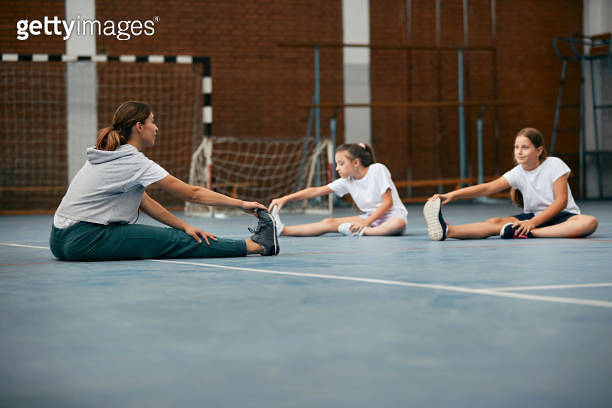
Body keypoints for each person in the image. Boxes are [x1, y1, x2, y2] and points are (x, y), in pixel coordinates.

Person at [50, 101, 279, 261]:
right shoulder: (133, 161)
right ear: (139, 127)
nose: (156, 127)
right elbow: (192, 194)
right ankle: (257, 246)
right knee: (172, 240)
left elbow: (144, 201)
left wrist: (185, 226)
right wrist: (240, 204)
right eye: (152, 121)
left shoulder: (107, 153)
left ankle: (251, 245)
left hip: (58, 240)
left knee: (179, 233)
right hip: (85, 239)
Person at [423, 127, 598, 241]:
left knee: (589, 222)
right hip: (532, 217)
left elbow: (561, 202)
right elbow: (487, 187)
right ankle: (448, 231)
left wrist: (533, 225)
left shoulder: (554, 164)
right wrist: (452, 195)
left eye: (525, 147)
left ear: (539, 150)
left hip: (563, 217)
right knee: (496, 222)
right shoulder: (517, 172)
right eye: (516, 147)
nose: (519, 152)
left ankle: (529, 234)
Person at [268, 143, 407, 237]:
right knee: (328, 222)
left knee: (398, 224)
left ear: (356, 162)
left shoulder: (377, 170)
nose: (337, 168)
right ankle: (282, 230)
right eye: (337, 164)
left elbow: (387, 203)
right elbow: (315, 191)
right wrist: (285, 198)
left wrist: (365, 224)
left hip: (392, 217)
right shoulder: (347, 181)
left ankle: (364, 232)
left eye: (341, 164)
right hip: (370, 219)